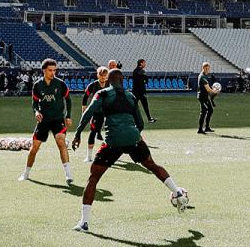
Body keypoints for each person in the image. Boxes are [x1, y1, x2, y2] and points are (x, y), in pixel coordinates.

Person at [70, 66, 186, 232]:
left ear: (108, 81)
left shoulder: (102, 94)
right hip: (133, 138)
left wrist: (77, 134)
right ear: (122, 80)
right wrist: (134, 136)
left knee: (93, 177)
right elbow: (140, 123)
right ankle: (177, 192)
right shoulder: (131, 96)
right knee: (152, 165)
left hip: (113, 141)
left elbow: (88, 113)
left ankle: (84, 222)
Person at [18, 59, 73, 184]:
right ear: (44, 70)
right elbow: (34, 102)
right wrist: (36, 112)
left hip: (58, 119)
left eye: (54, 70)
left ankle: (68, 174)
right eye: (50, 70)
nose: (53, 73)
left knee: (61, 142)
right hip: (44, 120)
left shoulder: (61, 84)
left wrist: (68, 116)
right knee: (34, 147)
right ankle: (26, 173)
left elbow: (68, 99)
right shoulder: (37, 85)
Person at [75, 66, 111, 163]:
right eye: (101, 75)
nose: (103, 77)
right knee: (93, 131)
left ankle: (108, 152)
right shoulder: (93, 85)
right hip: (97, 111)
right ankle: (89, 156)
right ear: (98, 75)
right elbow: (85, 96)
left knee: (111, 131)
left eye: (105, 75)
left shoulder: (110, 85)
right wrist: (84, 108)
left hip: (108, 111)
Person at [196, 62, 217, 134]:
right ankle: (200, 129)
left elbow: (208, 88)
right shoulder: (202, 77)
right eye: (206, 68)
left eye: (208, 68)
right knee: (204, 111)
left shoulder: (205, 76)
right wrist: (214, 91)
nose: (208, 70)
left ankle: (207, 127)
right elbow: (208, 89)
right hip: (202, 97)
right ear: (203, 68)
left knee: (210, 110)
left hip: (205, 96)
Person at [130, 58, 154, 122]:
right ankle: (149, 119)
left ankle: (131, 119)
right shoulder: (142, 71)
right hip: (141, 91)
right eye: (144, 63)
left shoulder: (134, 71)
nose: (145, 64)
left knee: (134, 106)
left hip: (135, 91)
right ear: (141, 63)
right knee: (145, 105)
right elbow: (146, 79)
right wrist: (143, 82)